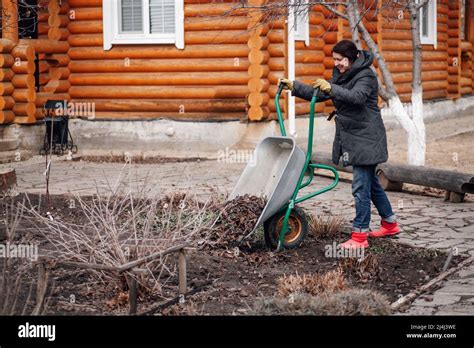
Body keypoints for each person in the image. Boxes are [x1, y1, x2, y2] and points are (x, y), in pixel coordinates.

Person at [279, 39, 400, 249]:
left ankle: (359, 236)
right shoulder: (343, 75)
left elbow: (357, 97)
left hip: (367, 138)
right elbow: (322, 93)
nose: (336, 64)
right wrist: (295, 86)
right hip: (355, 137)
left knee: (361, 186)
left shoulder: (366, 76)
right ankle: (390, 224)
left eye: (340, 60)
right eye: (334, 60)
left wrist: (332, 88)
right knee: (370, 185)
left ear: (351, 58)